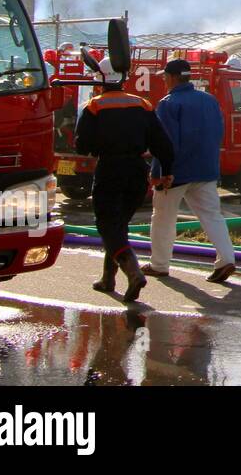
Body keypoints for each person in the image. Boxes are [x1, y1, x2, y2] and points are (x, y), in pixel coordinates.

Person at [74, 50, 175, 303]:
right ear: (123, 78)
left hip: (110, 169)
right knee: (118, 226)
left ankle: (132, 270)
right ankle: (108, 278)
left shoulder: (94, 107)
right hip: (137, 171)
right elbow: (163, 143)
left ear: (100, 79)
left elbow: (81, 146)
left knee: (107, 224)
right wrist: (167, 172)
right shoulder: (143, 104)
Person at [145, 58, 238, 283]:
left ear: (174, 78)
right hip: (205, 169)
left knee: (163, 218)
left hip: (175, 172)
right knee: (212, 216)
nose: (164, 80)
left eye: (165, 76)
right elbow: (218, 133)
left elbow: (165, 142)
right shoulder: (209, 100)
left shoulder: (168, 103)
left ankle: (159, 264)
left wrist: (160, 172)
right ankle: (227, 259)